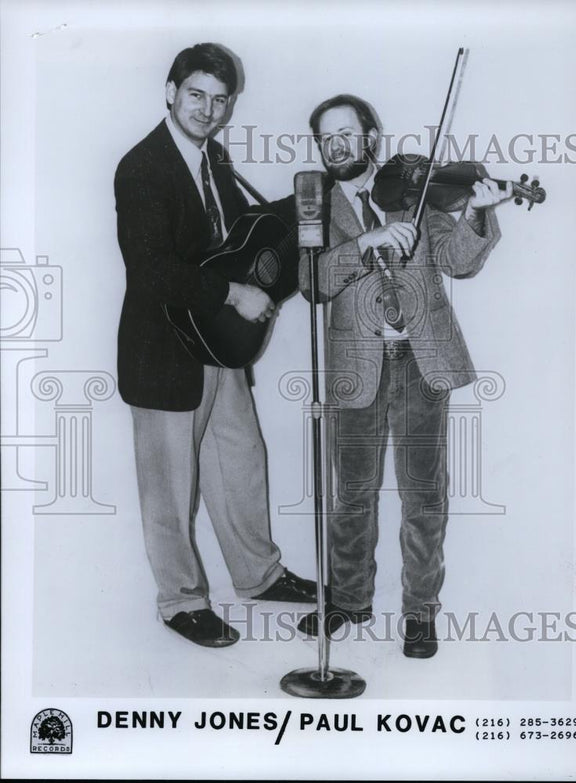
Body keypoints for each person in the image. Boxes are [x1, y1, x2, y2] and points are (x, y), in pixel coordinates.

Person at [114, 43, 316, 649]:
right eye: (196, 94)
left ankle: (257, 576)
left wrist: (315, 192)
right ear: (171, 91)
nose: (208, 108)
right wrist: (232, 293)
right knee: (171, 486)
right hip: (163, 350)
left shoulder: (215, 159)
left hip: (216, 344)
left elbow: (236, 239)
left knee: (240, 463)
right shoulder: (141, 167)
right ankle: (180, 602)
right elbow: (149, 271)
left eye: (220, 99)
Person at [297, 94, 512, 657]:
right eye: (328, 138)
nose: (339, 145)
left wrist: (477, 213)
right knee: (352, 494)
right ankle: (347, 599)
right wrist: (364, 243)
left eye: (349, 133)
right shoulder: (311, 204)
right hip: (353, 366)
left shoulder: (411, 192)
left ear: (371, 136)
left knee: (423, 493)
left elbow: (458, 261)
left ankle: (419, 612)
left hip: (421, 362)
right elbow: (311, 282)